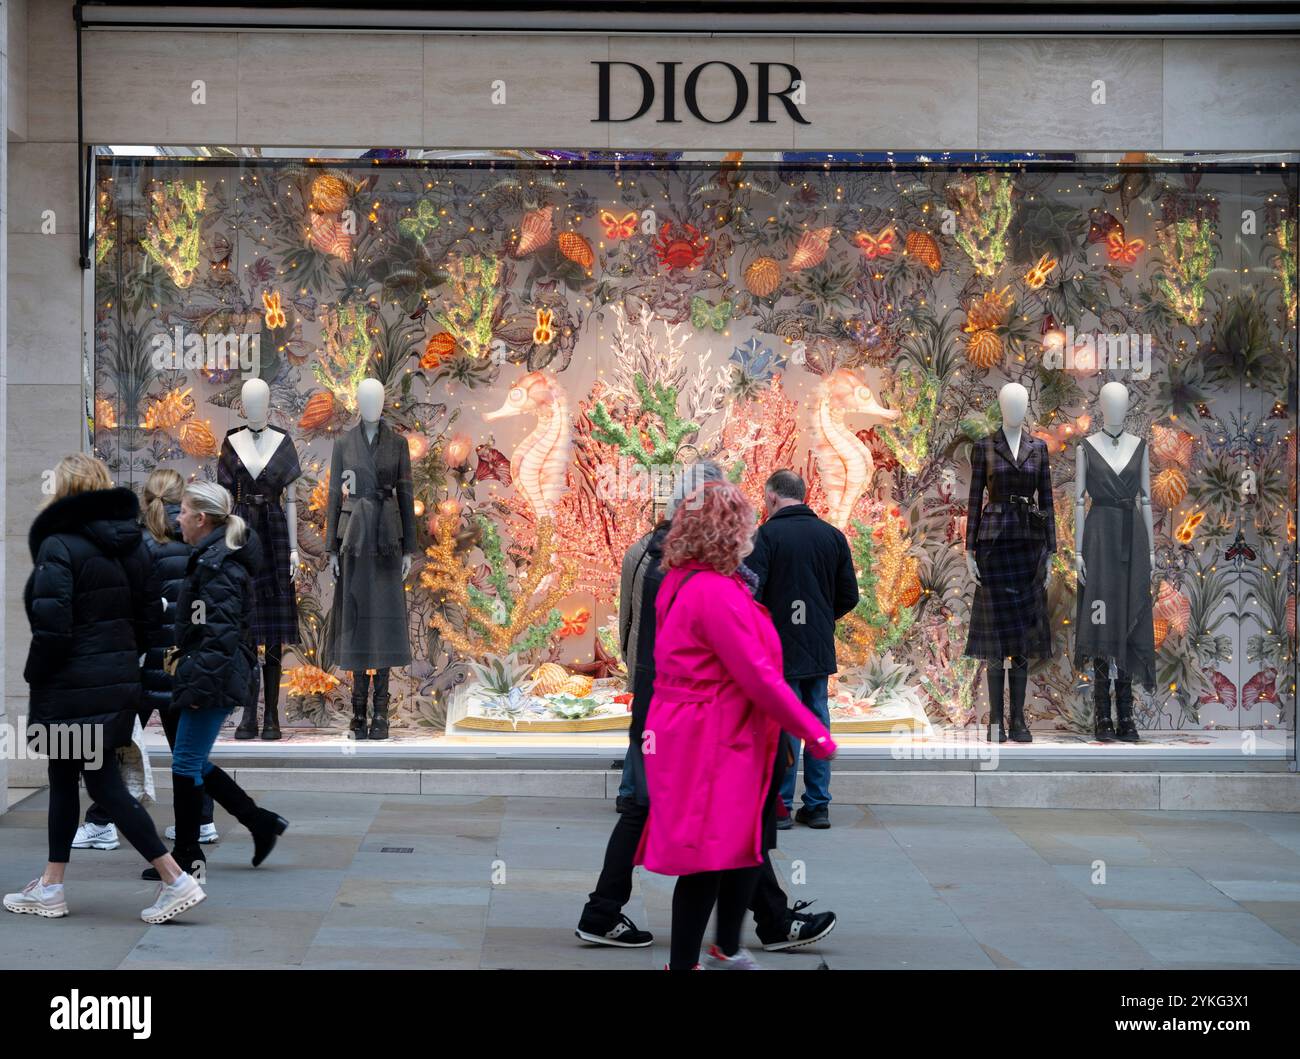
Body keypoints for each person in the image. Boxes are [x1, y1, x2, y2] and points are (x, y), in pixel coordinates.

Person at [578, 464, 838, 954]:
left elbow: (637, 630)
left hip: (687, 722)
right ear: (726, 531)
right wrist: (814, 733)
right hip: (713, 734)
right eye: (743, 526)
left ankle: (733, 939)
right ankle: (705, 945)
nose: (751, 535)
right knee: (714, 846)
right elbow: (756, 674)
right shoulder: (715, 590)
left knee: (730, 842)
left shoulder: (680, 575)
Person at [4, 454, 206, 924]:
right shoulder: (133, 544)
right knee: (73, 779)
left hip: (71, 686)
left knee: (100, 785)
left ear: (64, 491)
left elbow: (52, 628)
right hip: (114, 682)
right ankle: (51, 885)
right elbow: (150, 619)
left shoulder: (59, 544)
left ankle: (174, 876)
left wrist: (36, 673)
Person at [142, 480, 289, 883]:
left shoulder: (218, 566)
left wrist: (197, 687)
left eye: (185, 511)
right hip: (212, 674)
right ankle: (258, 821)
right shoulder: (211, 557)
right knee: (191, 760)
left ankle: (188, 857)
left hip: (214, 677)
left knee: (186, 762)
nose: (179, 518)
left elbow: (219, 636)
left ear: (202, 519)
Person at [72, 469, 218, 852]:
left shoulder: (134, 546)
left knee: (114, 746)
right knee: (185, 749)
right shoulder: (195, 545)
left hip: (139, 665)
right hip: (179, 663)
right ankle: (202, 820)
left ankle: (101, 821)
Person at [747, 470, 859, 830]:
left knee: (784, 724)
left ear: (773, 498)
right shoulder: (832, 537)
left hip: (777, 649)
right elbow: (849, 595)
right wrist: (822, 618)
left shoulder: (765, 537)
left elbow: (750, 593)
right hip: (817, 644)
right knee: (816, 720)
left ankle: (780, 804)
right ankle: (817, 804)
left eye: (766, 501)